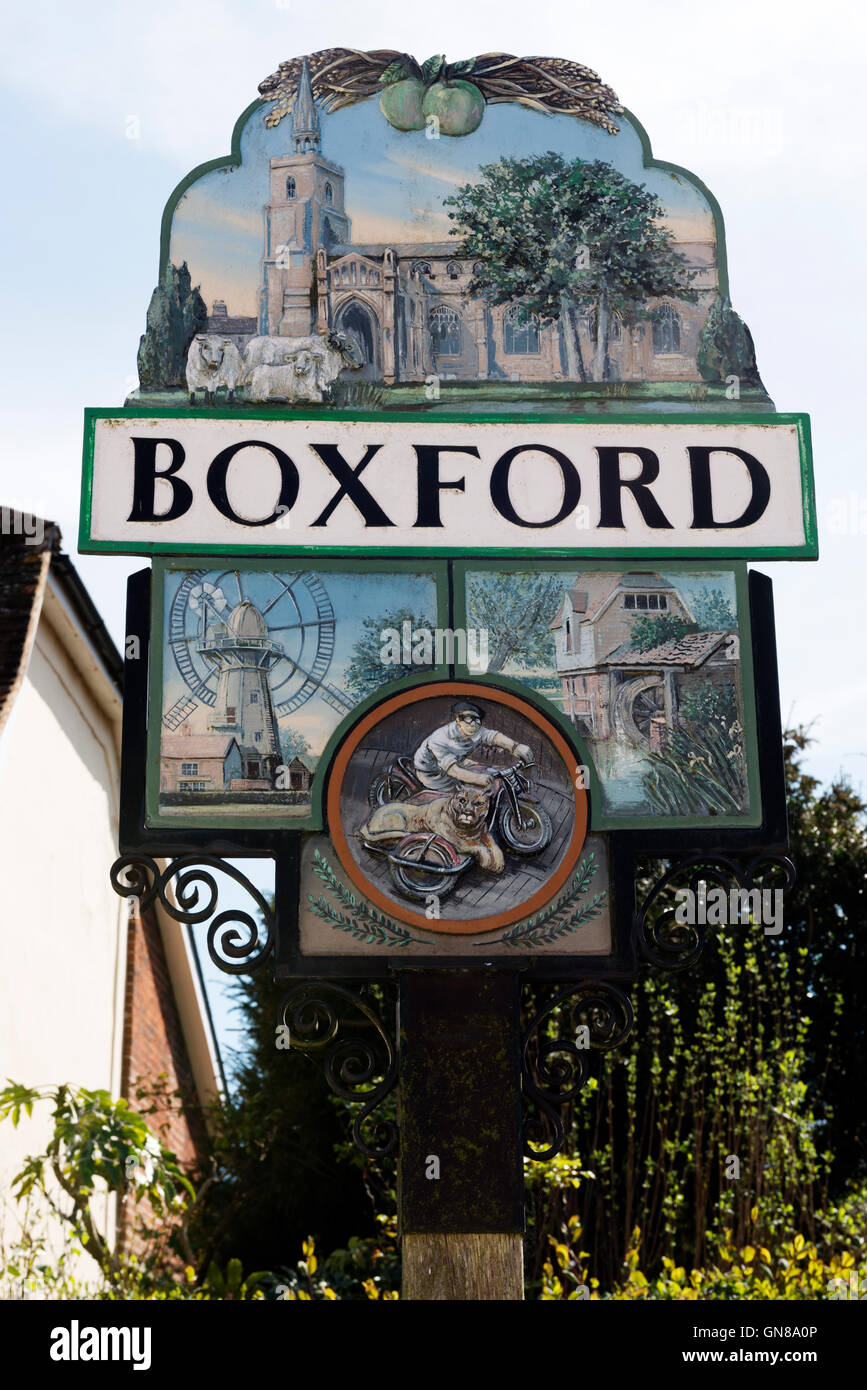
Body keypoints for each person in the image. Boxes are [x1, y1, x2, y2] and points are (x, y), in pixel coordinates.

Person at [412, 700, 532, 793]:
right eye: (468, 719)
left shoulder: (475, 729)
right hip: (433, 774)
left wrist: (515, 747)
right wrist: (478, 779)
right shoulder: (440, 738)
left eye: (476, 720)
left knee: (487, 770)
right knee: (462, 796)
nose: (473, 724)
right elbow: (453, 770)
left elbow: (493, 736)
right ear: (458, 720)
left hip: (457, 762)